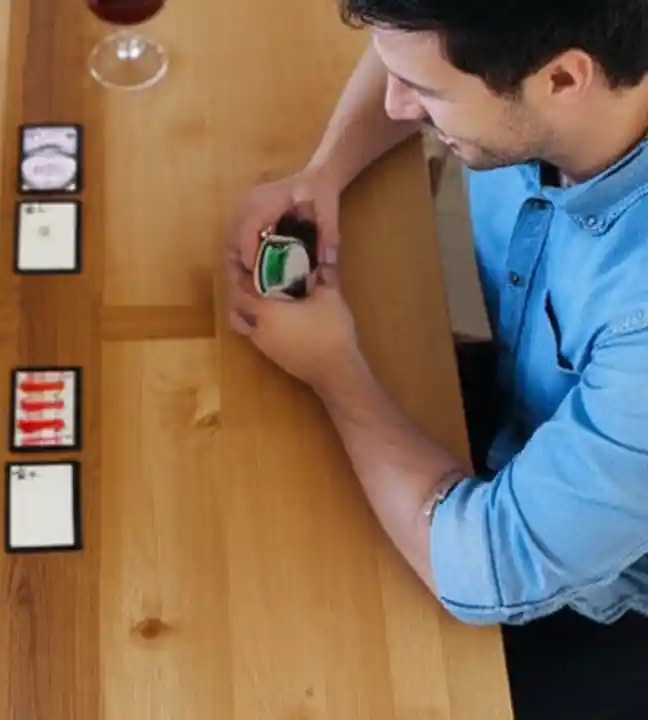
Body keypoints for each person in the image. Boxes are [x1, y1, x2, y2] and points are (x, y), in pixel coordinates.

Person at [226, 1, 648, 718]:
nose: (398, 104)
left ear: (565, 79)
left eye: (426, 95)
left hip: (603, 596)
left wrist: (335, 370)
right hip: (526, 422)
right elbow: (426, 50)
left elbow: (488, 567)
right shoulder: (532, 55)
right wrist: (325, 171)